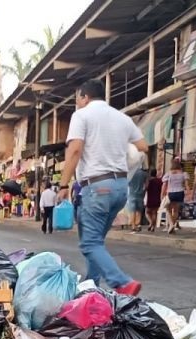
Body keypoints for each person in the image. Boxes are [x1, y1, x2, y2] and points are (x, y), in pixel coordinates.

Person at [62, 80, 149, 296]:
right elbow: (143, 147)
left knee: (89, 244)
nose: (77, 103)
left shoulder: (82, 116)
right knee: (96, 241)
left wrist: (63, 184)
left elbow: (74, 150)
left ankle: (122, 282)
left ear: (85, 97)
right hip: (120, 187)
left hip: (97, 187)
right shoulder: (123, 118)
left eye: (77, 99)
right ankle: (92, 286)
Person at [164, 160, 188, 233]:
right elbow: (186, 185)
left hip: (171, 193)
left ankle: (171, 225)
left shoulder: (168, 174)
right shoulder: (184, 174)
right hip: (180, 192)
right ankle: (173, 226)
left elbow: (164, 185)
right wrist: (190, 193)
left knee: (168, 210)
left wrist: (162, 194)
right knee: (176, 210)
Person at [127, 154, 148, 233]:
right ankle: (138, 224)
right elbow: (146, 185)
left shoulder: (130, 173)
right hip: (140, 194)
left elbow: (127, 183)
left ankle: (133, 226)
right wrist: (143, 190)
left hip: (132, 194)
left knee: (132, 210)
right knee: (139, 210)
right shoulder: (144, 174)